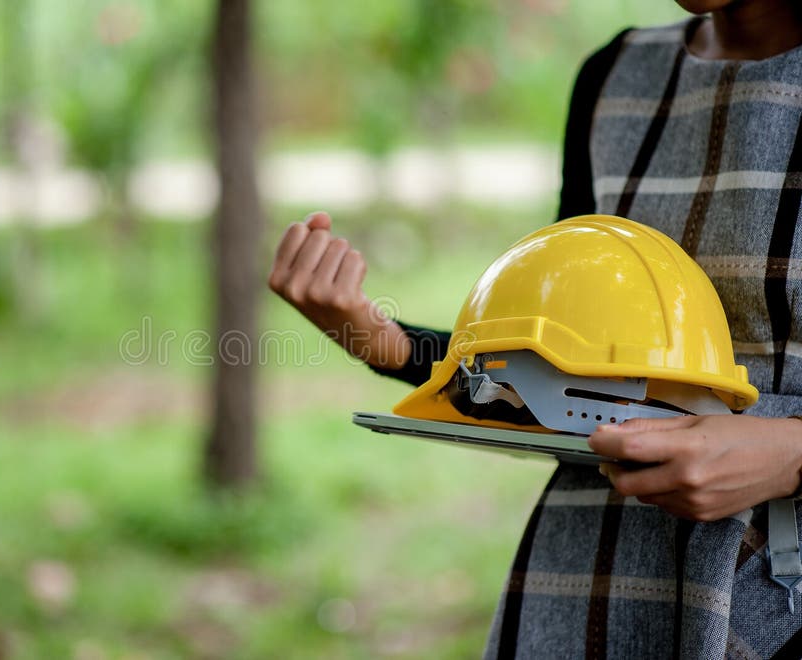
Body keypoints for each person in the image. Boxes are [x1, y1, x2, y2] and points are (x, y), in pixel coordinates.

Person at [269, 1, 802, 657]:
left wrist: (790, 453)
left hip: (781, 594)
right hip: (599, 572)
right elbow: (560, 367)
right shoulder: (616, 75)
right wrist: (375, 337)